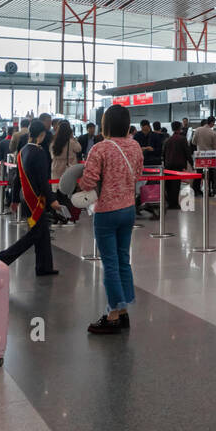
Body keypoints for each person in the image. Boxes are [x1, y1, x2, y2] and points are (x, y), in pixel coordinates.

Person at [78, 104, 145, 334]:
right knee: (123, 259)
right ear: (127, 124)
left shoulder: (100, 148)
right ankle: (124, 311)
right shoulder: (135, 146)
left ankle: (113, 315)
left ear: (106, 124)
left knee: (110, 263)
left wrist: (78, 184)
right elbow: (139, 175)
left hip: (106, 211)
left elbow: (88, 182)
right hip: (128, 209)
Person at [0, 120, 61, 277]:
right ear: (42, 135)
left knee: (42, 232)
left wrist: (15, 199)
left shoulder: (22, 151)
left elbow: (17, 177)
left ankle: (44, 266)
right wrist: (52, 200)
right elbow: (43, 181)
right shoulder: (39, 152)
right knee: (35, 234)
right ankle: (2, 258)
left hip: (26, 198)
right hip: (36, 200)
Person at [162, 124, 191, 209]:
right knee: (176, 185)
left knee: (169, 185)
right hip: (177, 165)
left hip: (168, 165)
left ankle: (169, 202)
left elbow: (163, 153)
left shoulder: (167, 140)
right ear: (180, 129)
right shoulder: (182, 139)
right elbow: (187, 152)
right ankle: (174, 204)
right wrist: (191, 163)